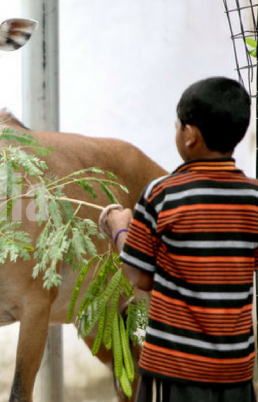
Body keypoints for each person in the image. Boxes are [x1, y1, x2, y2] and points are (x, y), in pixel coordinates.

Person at [100, 76, 256, 401]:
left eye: (177, 126)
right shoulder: (253, 198)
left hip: (173, 369)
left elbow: (139, 276)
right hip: (236, 370)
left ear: (190, 136)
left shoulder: (162, 195)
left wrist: (118, 227)